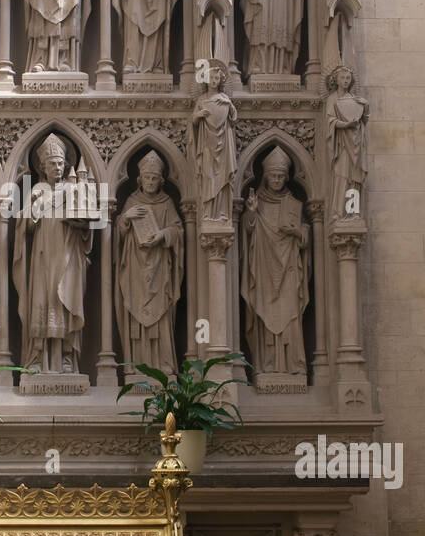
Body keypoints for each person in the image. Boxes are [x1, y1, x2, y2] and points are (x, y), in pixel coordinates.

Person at [12, 133, 92, 374]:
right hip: (43, 256)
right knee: (42, 300)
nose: (57, 167)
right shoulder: (37, 189)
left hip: (69, 254)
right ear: (43, 168)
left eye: (60, 163)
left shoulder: (74, 188)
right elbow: (25, 225)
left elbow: (88, 224)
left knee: (66, 302)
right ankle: (38, 357)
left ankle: (68, 357)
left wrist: (81, 223)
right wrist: (36, 204)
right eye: (52, 164)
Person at [240, 146, 309, 376]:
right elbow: (247, 232)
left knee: (290, 317)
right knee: (265, 315)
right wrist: (251, 213)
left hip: (289, 269)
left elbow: (306, 235)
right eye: (273, 176)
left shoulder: (294, 204)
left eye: (281, 176)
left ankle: (293, 366)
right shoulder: (256, 202)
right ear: (266, 176)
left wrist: (296, 232)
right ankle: (266, 366)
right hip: (263, 269)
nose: (277, 180)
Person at [115, 150, 184, 376]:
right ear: (140, 179)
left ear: (161, 180)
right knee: (135, 311)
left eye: (155, 178)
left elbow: (178, 230)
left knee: (161, 312)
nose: (151, 182)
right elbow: (118, 232)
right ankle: (137, 364)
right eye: (147, 178)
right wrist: (127, 217)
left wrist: (164, 234)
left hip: (160, 267)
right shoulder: (132, 201)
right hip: (135, 265)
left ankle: (163, 363)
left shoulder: (167, 203)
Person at [192, 63, 237, 222]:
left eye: (217, 78)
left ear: (221, 80)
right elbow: (194, 123)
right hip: (206, 145)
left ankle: (222, 212)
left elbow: (233, 118)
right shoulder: (201, 99)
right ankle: (208, 213)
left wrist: (230, 106)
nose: (214, 81)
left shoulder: (225, 98)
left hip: (223, 143)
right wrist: (199, 115)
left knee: (222, 178)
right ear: (205, 79)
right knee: (208, 176)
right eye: (211, 78)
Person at [326, 65, 368, 220]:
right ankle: (338, 212)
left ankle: (353, 211)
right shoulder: (332, 99)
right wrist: (346, 125)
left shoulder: (355, 100)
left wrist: (366, 107)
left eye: (348, 78)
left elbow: (364, 120)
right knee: (342, 177)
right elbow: (330, 121)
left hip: (356, 143)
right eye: (342, 78)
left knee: (354, 178)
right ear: (336, 80)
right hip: (341, 144)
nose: (345, 81)